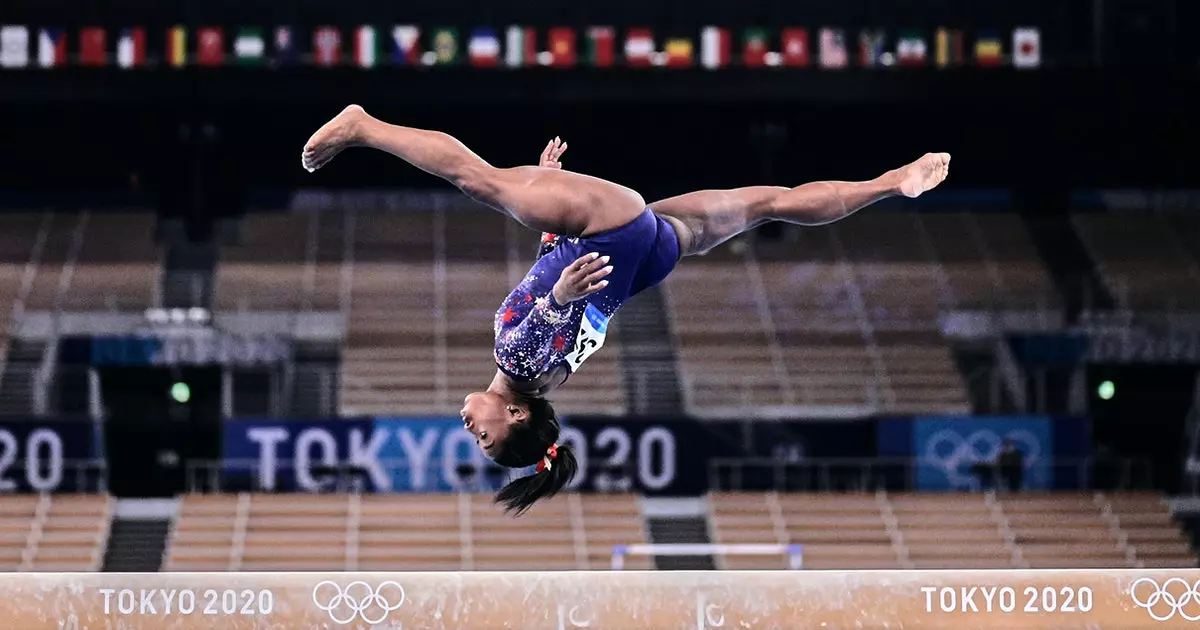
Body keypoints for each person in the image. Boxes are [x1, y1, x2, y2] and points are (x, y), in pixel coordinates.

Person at [302, 105, 951, 514]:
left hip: (649, 257)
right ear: (515, 413)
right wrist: (558, 266)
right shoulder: (515, 362)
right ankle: (364, 127)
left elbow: (549, 295)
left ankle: (893, 181)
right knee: (483, 181)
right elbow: (545, 314)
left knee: (768, 204)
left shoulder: (545, 375)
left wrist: (550, 195)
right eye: (484, 432)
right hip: (611, 235)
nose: (469, 425)